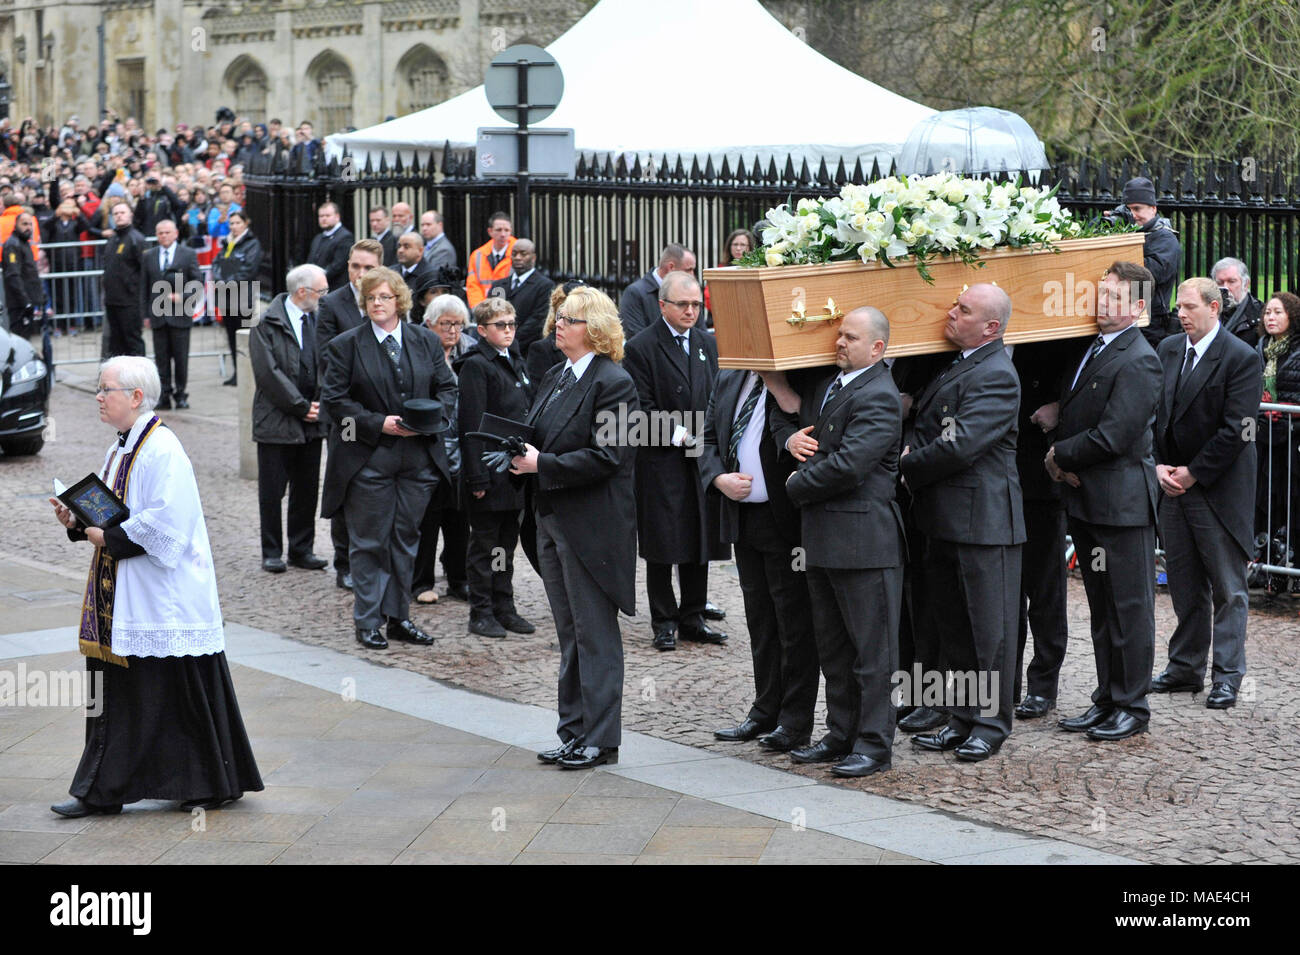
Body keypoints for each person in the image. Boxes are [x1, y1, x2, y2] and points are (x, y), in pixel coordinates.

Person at [47, 356, 262, 817]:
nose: (99, 397)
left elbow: (168, 522)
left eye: (106, 389)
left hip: (162, 598)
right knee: (123, 694)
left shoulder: (163, 448)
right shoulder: (122, 446)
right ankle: (104, 789)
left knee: (173, 691)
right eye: (100, 389)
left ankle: (204, 781)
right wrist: (75, 519)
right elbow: (109, 507)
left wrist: (110, 537)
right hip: (128, 591)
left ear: (136, 397)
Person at [769, 308, 905, 775]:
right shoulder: (835, 385)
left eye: (851, 337)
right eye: (840, 335)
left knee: (874, 653)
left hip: (865, 541)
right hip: (825, 539)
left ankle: (873, 743)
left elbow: (849, 465)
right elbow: (807, 435)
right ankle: (840, 732)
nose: (840, 342)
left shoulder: (879, 394)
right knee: (834, 648)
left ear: (878, 348)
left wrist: (794, 485)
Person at [510, 286, 638, 770]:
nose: (558, 324)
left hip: (591, 526)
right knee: (570, 632)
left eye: (570, 319)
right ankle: (573, 730)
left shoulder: (615, 382)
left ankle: (601, 739)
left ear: (596, 330)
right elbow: (534, 433)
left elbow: (611, 456)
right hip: (550, 517)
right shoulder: (556, 374)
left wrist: (543, 463)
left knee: (595, 634)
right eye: (559, 317)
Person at [902, 283, 1024, 762]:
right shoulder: (959, 362)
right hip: (945, 518)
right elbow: (925, 422)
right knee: (954, 627)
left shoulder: (997, 373)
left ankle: (990, 724)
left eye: (963, 309)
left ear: (991, 326)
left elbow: (963, 444)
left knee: (988, 630)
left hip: (984, 522)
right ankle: (961, 716)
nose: (951, 313)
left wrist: (907, 463)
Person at [1048, 261, 1163, 741]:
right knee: (1102, 607)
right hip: (1091, 498)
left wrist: (1059, 454)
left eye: (1114, 298)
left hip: (1123, 502)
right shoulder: (1095, 348)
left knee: (1129, 607)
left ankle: (1132, 708)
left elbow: (1116, 434)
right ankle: (1107, 697)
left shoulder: (1139, 358)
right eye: (1100, 294)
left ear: (1137, 307)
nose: (1102, 303)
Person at [321, 267, 457, 650]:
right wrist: (378, 423)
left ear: (400, 300)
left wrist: (430, 420)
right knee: (368, 543)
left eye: (384, 297)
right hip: (369, 460)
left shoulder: (424, 342)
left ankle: (398, 617)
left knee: (406, 540)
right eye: (370, 298)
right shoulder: (346, 345)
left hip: (418, 460)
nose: (377, 304)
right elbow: (334, 401)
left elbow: (446, 387)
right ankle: (368, 621)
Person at [1151, 278, 1263, 710]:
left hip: (1217, 489)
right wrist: (1159, 464)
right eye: (1179, 306)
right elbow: (1155, 412)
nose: (1181, 314)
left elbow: (1239, 428)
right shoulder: (1167, 350)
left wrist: (1194, 474)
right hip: (1173, 486)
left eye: (1190, 307)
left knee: (1228, 589)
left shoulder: (1240, 357)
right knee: (1184, 584)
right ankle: (1184, 667)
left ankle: (1228, 677)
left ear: (1215, 308)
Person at [702, 365, 819, 750]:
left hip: (786, 518)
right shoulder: (730, 376)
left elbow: (813, 423)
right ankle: (764, 709)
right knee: (760, 619)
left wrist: (775, 381)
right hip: (743, 517)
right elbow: (706, 438)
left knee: (794, 621)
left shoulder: (799, 375)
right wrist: (718, 478)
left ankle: (795, 720)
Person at [623, 270, 728, 651]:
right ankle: (663, 620)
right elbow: (637, 411)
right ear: (662, 304)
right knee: (664, 543)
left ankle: (693, 616)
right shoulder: (641, 346)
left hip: (701, 458)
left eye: (697, 305)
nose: (690, 311)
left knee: (699, 537)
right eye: (683, 304)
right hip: (662, 459)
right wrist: (683, 435)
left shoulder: (706, 343)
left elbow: (718, 395)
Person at [457, 296, 537, 636]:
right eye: (500, 326)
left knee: (506, 542)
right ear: (481, 330)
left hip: (513, 469)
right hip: (489, 470)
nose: (508, 331)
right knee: (484, 544)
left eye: (511, 325)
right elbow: (470, 423)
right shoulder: (477, 365)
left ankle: (504, 604)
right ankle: (481, 610)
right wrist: (477, 476)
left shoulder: (514, 359)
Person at [1010, 340, 1076, 719]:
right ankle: (1006, 685)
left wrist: (1059, 411)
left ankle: (1043, 686)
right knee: (1005, 596)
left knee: (1045, 593)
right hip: (998, 488)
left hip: (1039, 486)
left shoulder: (1048, 346)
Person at [250, 265, 330, 574]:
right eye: (321, 291)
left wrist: (320, 402)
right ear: (302, 292)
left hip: (312, 419)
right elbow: (268, 373)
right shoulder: (265, 322)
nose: (325, 296)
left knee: (306, 488)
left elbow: (327, 361)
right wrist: (299, 406)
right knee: (272, 491)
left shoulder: (320, 320)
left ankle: (302, 548)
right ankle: (272, 550)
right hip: (277, 419)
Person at [315, 238, 382, 591]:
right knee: (346, 483)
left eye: (368, 267)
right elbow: (327, 358)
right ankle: (345, 560)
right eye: (355, 266)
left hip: (382, 411)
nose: (359, 274)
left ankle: (375, 555)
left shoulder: (388, 302)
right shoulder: (332, 304)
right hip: (346, 414)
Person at [411, 294, 474, 605]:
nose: (453, 331)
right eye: (446, 324)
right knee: (428, 519)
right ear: (429, 324)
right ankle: (420, 580)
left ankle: (458, 578)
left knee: (459, 519)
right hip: (430, 446)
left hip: (462, 446)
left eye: (459, 324)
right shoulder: (418, 351)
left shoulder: (469, 352)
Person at [1254, 292, 1300, 594]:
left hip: (1291, 437)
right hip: (1263, 436)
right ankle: (1269, 565)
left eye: (1278, 312)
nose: (1270, 317)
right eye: (1267, 312)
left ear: (1291, 317)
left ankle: (1291, 562)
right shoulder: (1259, 348)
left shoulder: (1296, 351)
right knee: (1264, 500)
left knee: (1291, 500)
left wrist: (1282, 409)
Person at [140, 219, 202, 409]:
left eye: (167, 232)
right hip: (158, 316)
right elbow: (144, 286)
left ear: (175, 233)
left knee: (181, 358)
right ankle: (164, 394)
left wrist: (182, 297)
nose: (163, 236)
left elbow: (197, 283)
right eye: (160, 233)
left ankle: (181, 394)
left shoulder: (188, 254)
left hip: (180, 315)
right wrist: (145, 315)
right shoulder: (149, 256)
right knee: (161, 358)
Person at [1116, 177, 1181, 349]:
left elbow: (1148, 275)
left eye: (1137, 209)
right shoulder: (1122, 232)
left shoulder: (1165, 238)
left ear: (1153, 209)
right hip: (1121, 319)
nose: (1133, 215)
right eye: (1128, 210)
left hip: (1150, 325)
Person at [211, 210, 263, 386]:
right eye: (231, 223)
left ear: (245, 223)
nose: (234, 227)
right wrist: (220, 279)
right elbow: (216, 263)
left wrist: (229, 282)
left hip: (242, 296)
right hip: (226, 297)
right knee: (231, 336)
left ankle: (248, 372)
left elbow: (249, 269)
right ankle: (236, 372)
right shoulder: (227, 243)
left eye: (237, 223)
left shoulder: (252, 244)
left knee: (244, 336)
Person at [487, 237, 554, 354]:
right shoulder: (499, 285)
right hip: (497, 348)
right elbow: (488, 315)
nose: (518, 258)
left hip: (527, 351)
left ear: (533, 257)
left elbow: (537, 321)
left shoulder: (545, 286)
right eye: (514, 254)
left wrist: (509, 340)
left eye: (523, 254)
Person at [100, 201, 148, 357]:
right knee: (116, 344)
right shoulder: (112, 240)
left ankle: (140, 378)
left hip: (130, 302)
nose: (119, 216)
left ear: (130, 215)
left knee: (133, 342)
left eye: (122, 213)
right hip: (112, 300)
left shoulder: (137, 239)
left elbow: (145, 270)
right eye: (116, 214)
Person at [619, 243, 696, 339]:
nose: (692, 276)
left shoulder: (690, 293)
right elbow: (637, 341)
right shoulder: (635, 294)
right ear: (671, 267)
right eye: (688, 270)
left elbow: (700, 336)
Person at [2, 210, 44, 337]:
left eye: (30, 224)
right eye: (24, 224)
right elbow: (13, 275)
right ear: (16, 225)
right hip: (19, 302)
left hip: (28, 298)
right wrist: (24, 300)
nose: (28, 227)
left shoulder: (24, 243)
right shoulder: (13, 245)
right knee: (20, 338)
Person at [465, 211, 514, 306]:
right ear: (490, 231)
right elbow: (473, 286)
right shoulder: (477, 255)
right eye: (499, 230)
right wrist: (479, 309)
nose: (503, 234)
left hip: (508, 311)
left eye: (506, 230)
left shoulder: (517, 253)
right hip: (483, 309)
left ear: (511, 231)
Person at [1212, 257, 1263, 348]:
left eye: (1231, 281)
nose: (1225, 287)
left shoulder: (1260, 314)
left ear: (1246, 284)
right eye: (1219, 282)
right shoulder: (1205, 312)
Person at [308, 201, 354, 291]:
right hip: (317, 288)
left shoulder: (345, 237)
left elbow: (337, 266)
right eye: (321, 216)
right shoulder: (318, 238)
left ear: (337, 217)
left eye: (327, 216)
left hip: (335, 289)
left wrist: (316, 278)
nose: (324, 219)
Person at [393, 231, 432, 299]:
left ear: (420, 251)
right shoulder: (390, 273)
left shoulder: (430, 275)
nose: (400, 250)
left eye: (406, 247)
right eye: (399, 246)